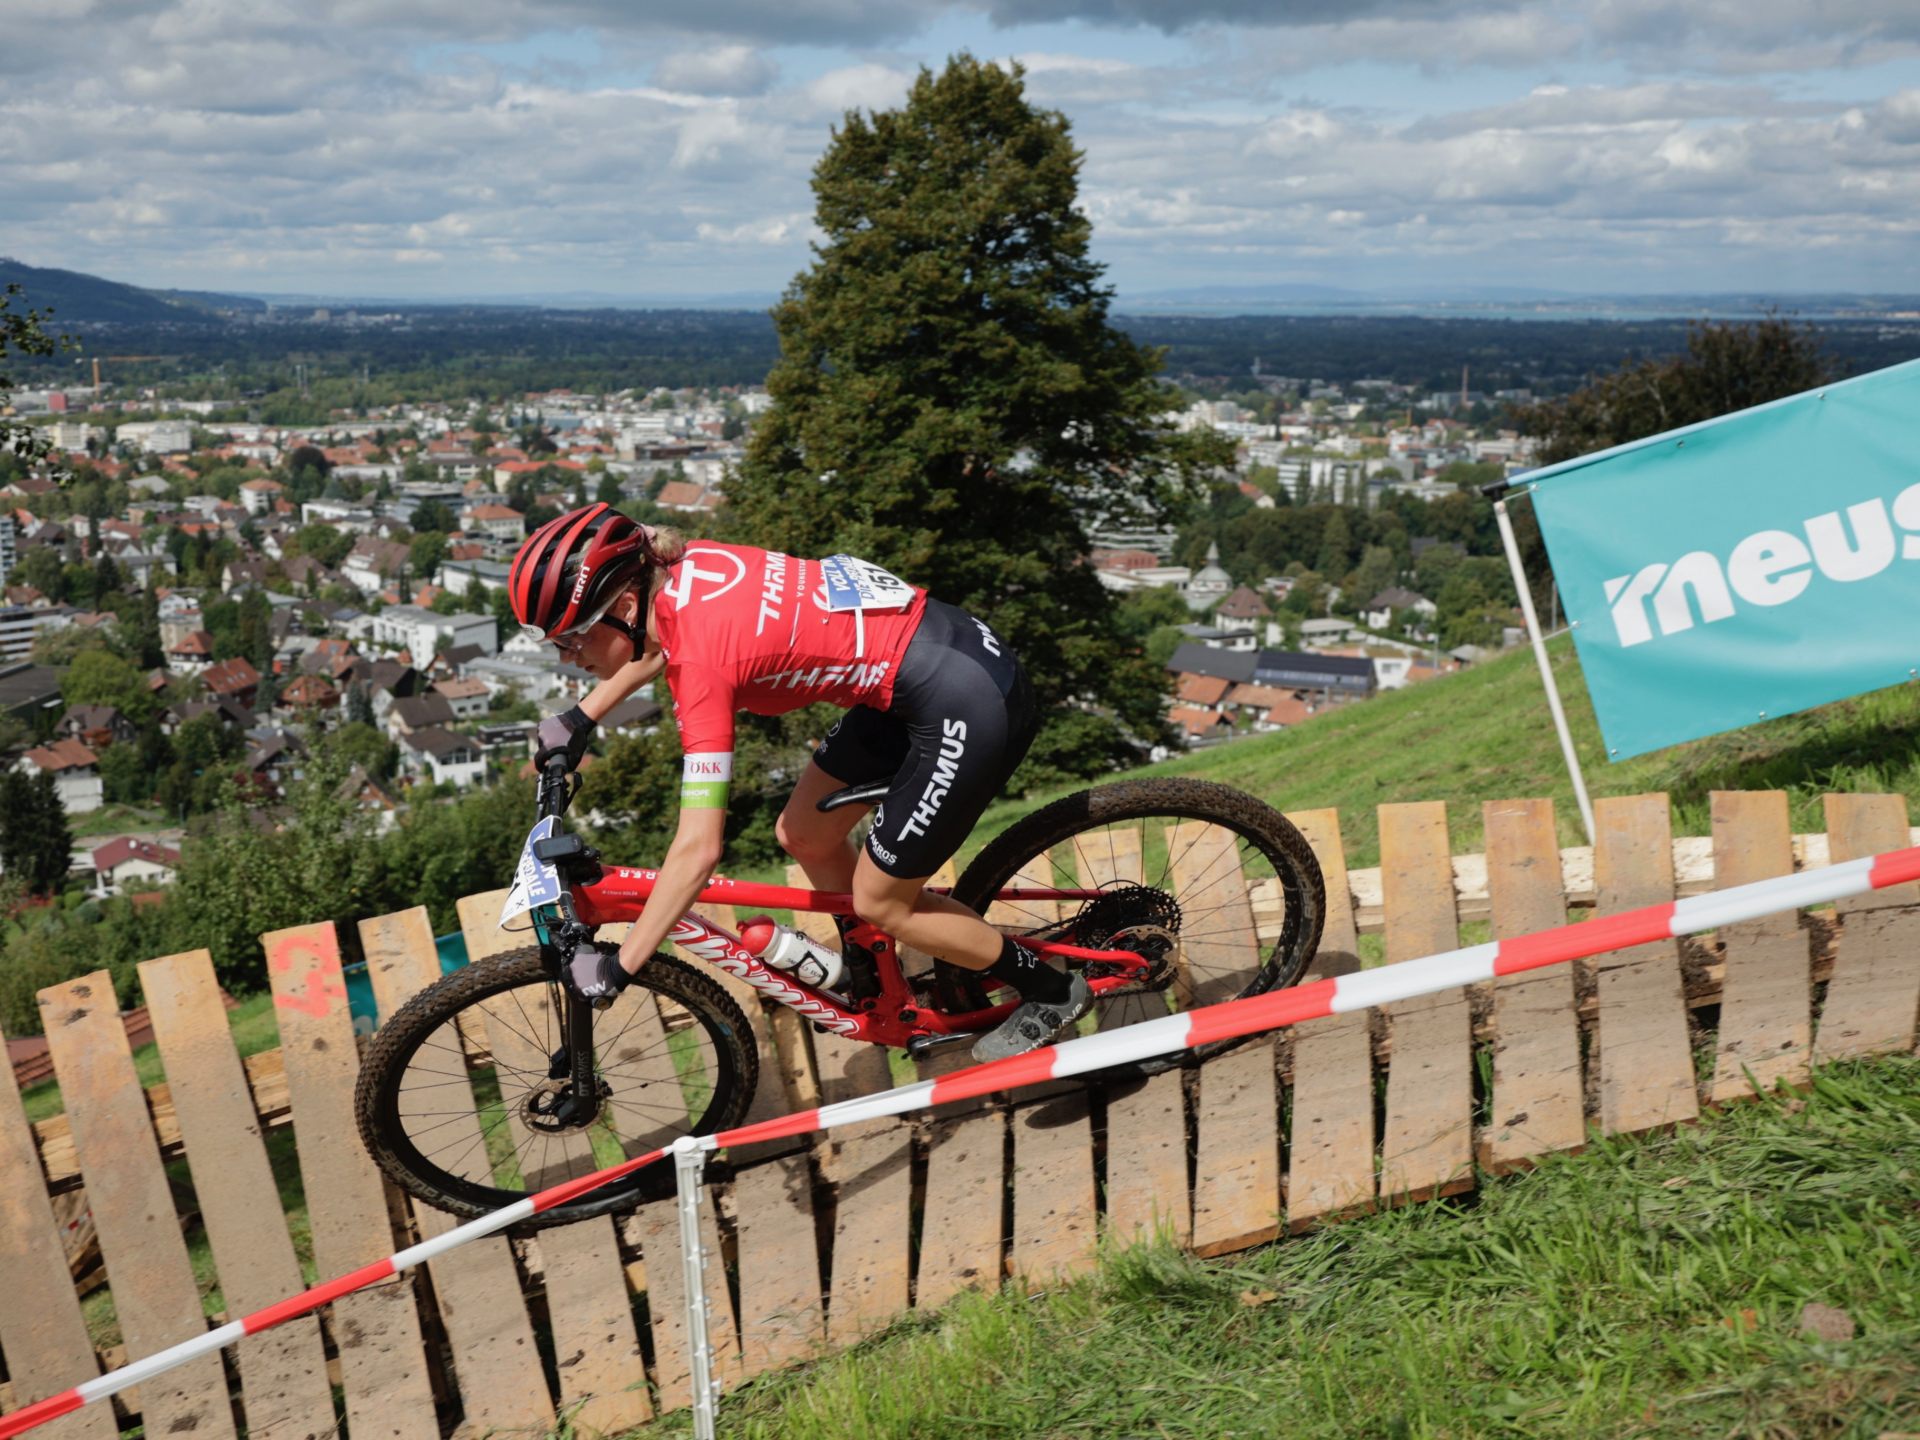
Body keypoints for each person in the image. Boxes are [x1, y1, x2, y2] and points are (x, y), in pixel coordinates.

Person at [511, 502, 1089, 1061]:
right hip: (927, 662)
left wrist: (618, 969)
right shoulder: (679, 569)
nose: (567, 654)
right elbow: (659, 642)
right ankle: (875, 968)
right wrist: (580, 717)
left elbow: (697, 849)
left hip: (963, 697)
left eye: (574, 634)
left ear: (628, 601)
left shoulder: (703, 664)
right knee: (804, 833)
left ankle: (1054, 992)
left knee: (883, 902)